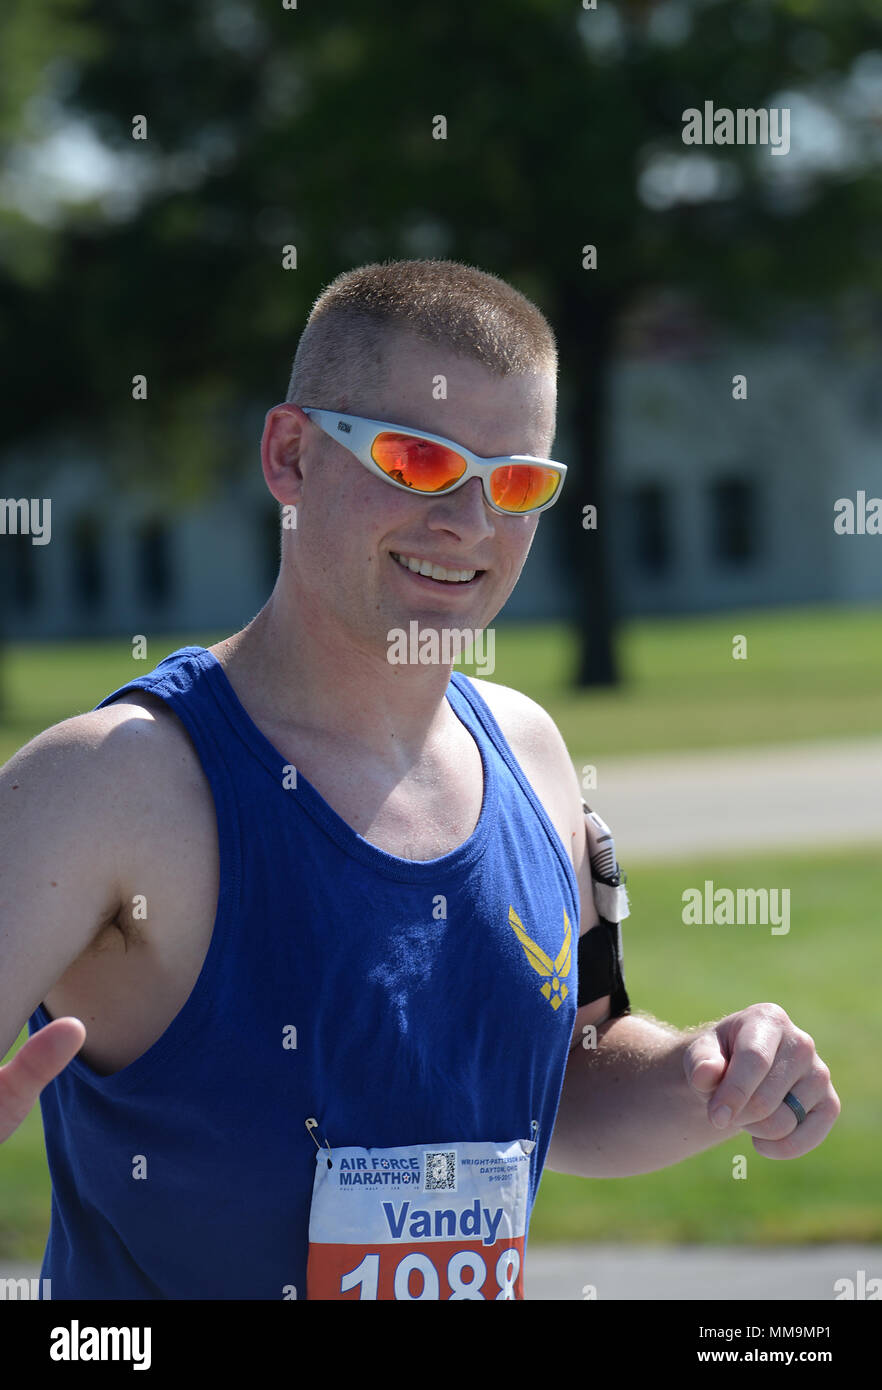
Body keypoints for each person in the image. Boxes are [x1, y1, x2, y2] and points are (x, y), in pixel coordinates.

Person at [0, 259, 839, 1300]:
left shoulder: (531, 754)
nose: (471, 523)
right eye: (419, 461)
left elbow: (562, 1070)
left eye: (518, 481)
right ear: (292, 455)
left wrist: (704, 1077)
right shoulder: (107, 784)